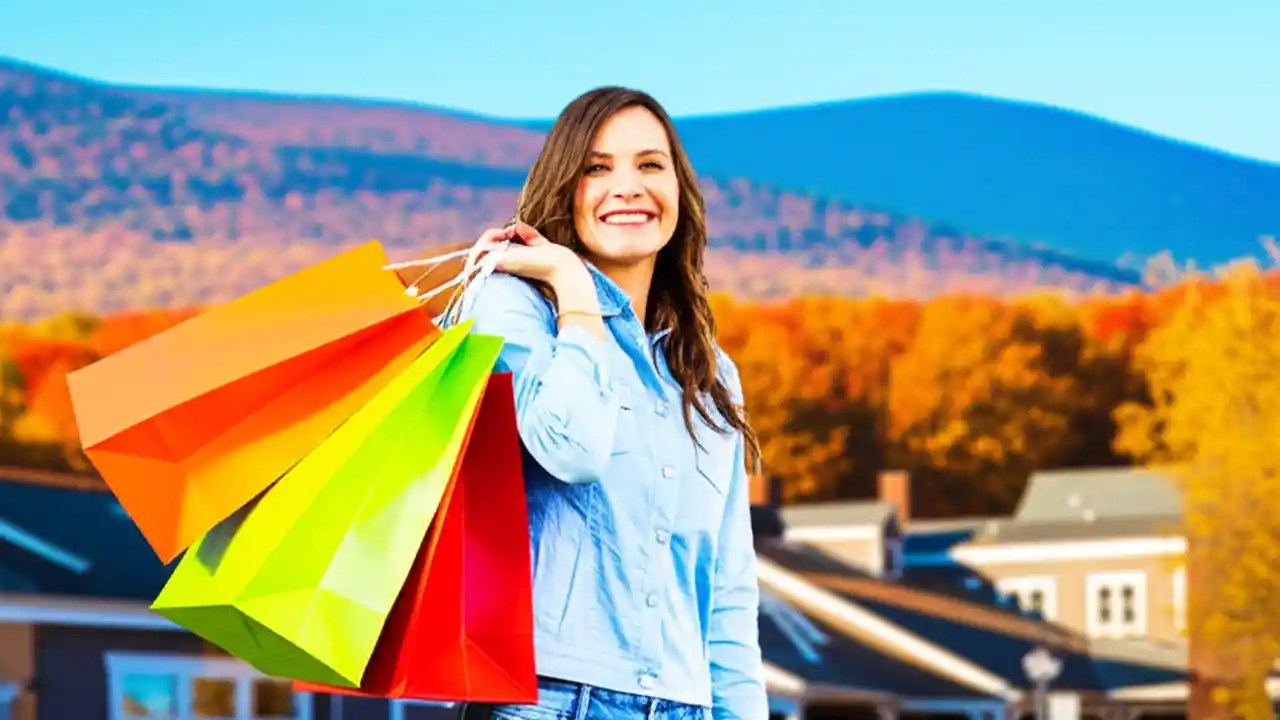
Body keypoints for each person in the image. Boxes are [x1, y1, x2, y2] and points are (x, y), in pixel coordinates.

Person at [452, 86, 768, 720]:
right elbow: (571, 450)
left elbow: (727, 587)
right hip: (548, 698)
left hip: (687, 703)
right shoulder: (512, 311)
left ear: (680, 190)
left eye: (650, 165)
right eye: (598, 167)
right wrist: (571, 285)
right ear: (564, 185)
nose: (628, 186)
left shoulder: (710, 375)